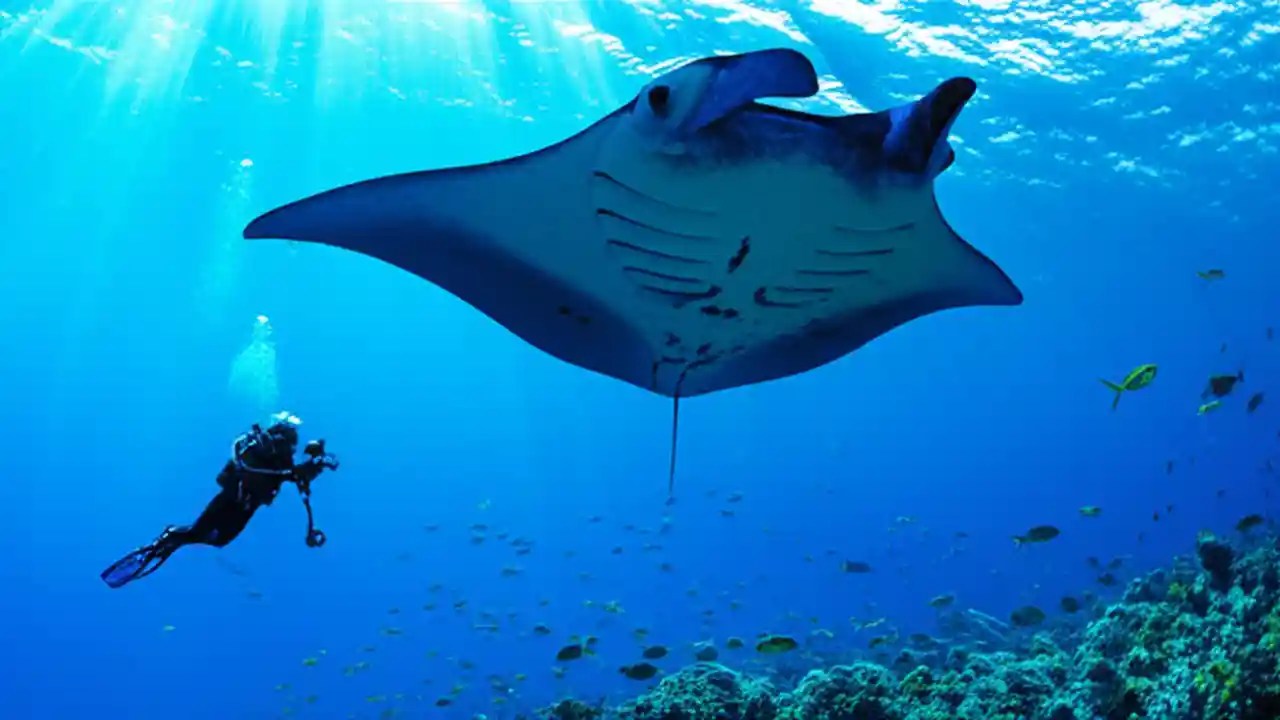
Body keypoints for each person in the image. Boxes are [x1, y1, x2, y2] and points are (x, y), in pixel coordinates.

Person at [100, 411, 340, 589]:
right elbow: (290, 474)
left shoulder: (277, 455)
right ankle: (170, 536)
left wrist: (316, 463)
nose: (294, 444)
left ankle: (171, 540)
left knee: (216, 539)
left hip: (243, 502)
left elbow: (294, 475)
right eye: (293, 438)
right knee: (202, 533)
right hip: (234, 498)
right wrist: (317, 463)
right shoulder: (274, 448)